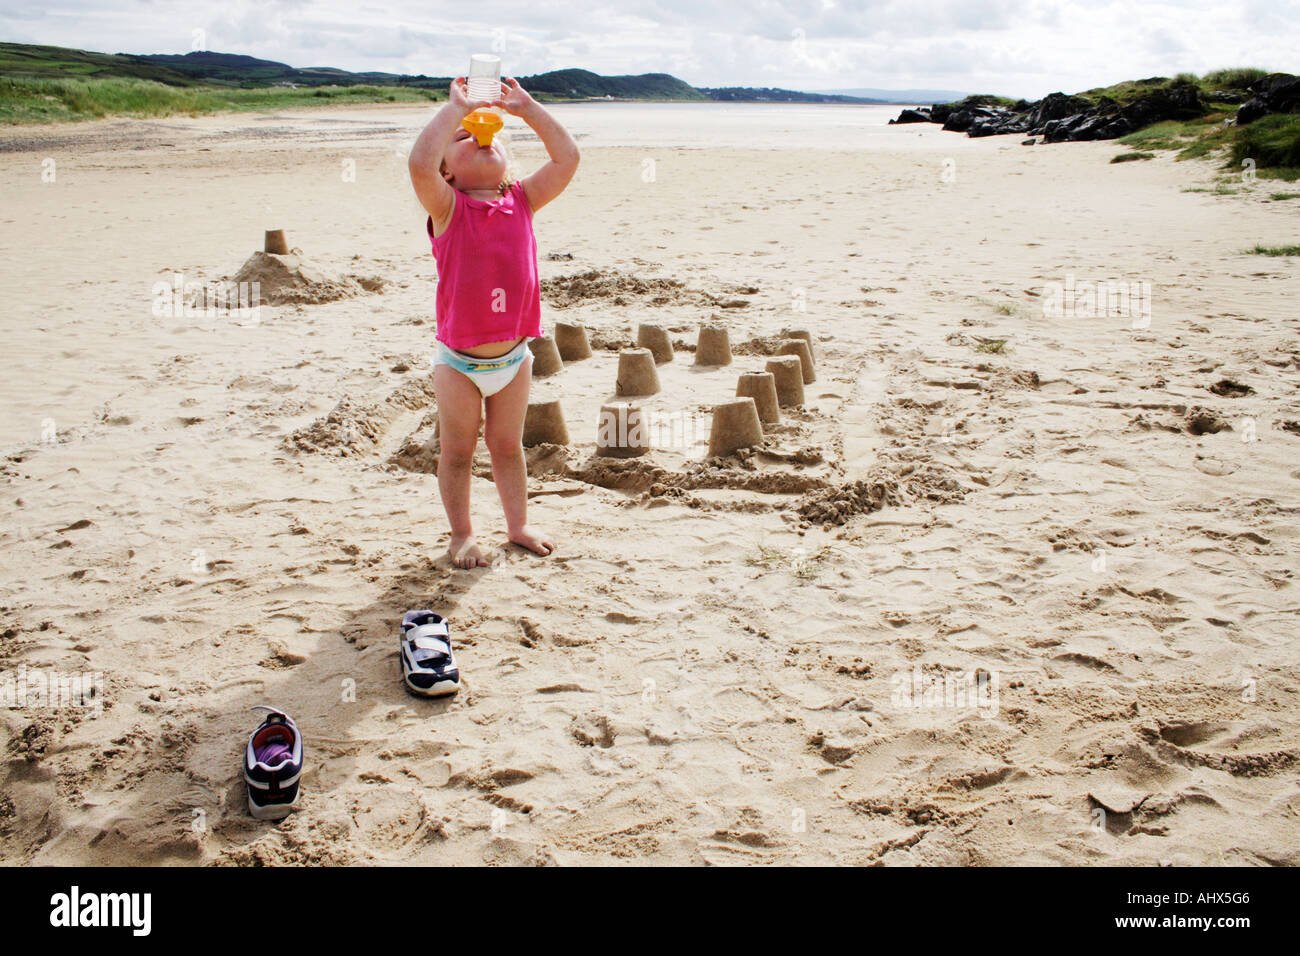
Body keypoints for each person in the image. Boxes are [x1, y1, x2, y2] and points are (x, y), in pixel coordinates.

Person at [409, 75, 579, 568]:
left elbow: (567, 158)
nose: (481, 136)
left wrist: (528, 109)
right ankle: (461, 534)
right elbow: (419, 163)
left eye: (487, 135)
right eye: (464, 137)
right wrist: (455, 111)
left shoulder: (522, 201)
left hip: (514, 359)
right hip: (458, 365)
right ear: (446, 173)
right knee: (457, 453)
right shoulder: (448, 209)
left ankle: (518, 525)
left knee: (507, 447)